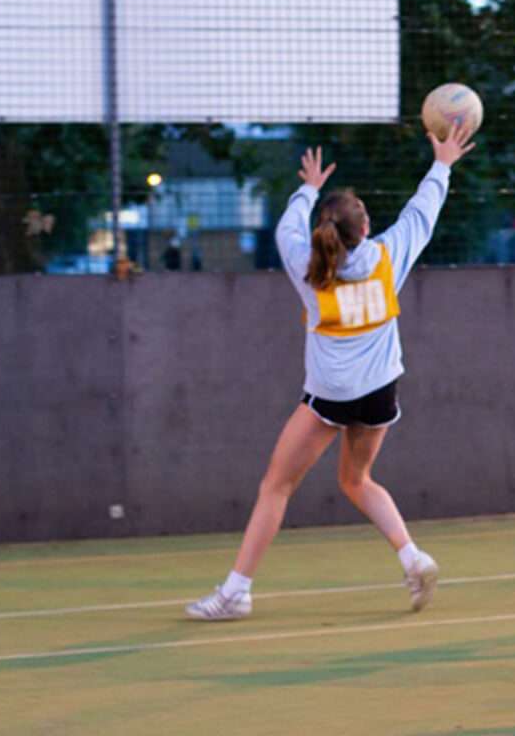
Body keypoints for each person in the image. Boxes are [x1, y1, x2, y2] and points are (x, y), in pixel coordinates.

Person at [187, 124, 473, 620]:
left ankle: (236, 593)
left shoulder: (308, 267)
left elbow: (285, 230)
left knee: (276, 487)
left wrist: (308, 188)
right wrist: (442, 163)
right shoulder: (387, 257)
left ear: (326, 230)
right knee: (357, 478)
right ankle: (412, 557)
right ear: (364, 228)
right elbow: (423, 212)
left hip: (332, 395)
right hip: (381, 391)